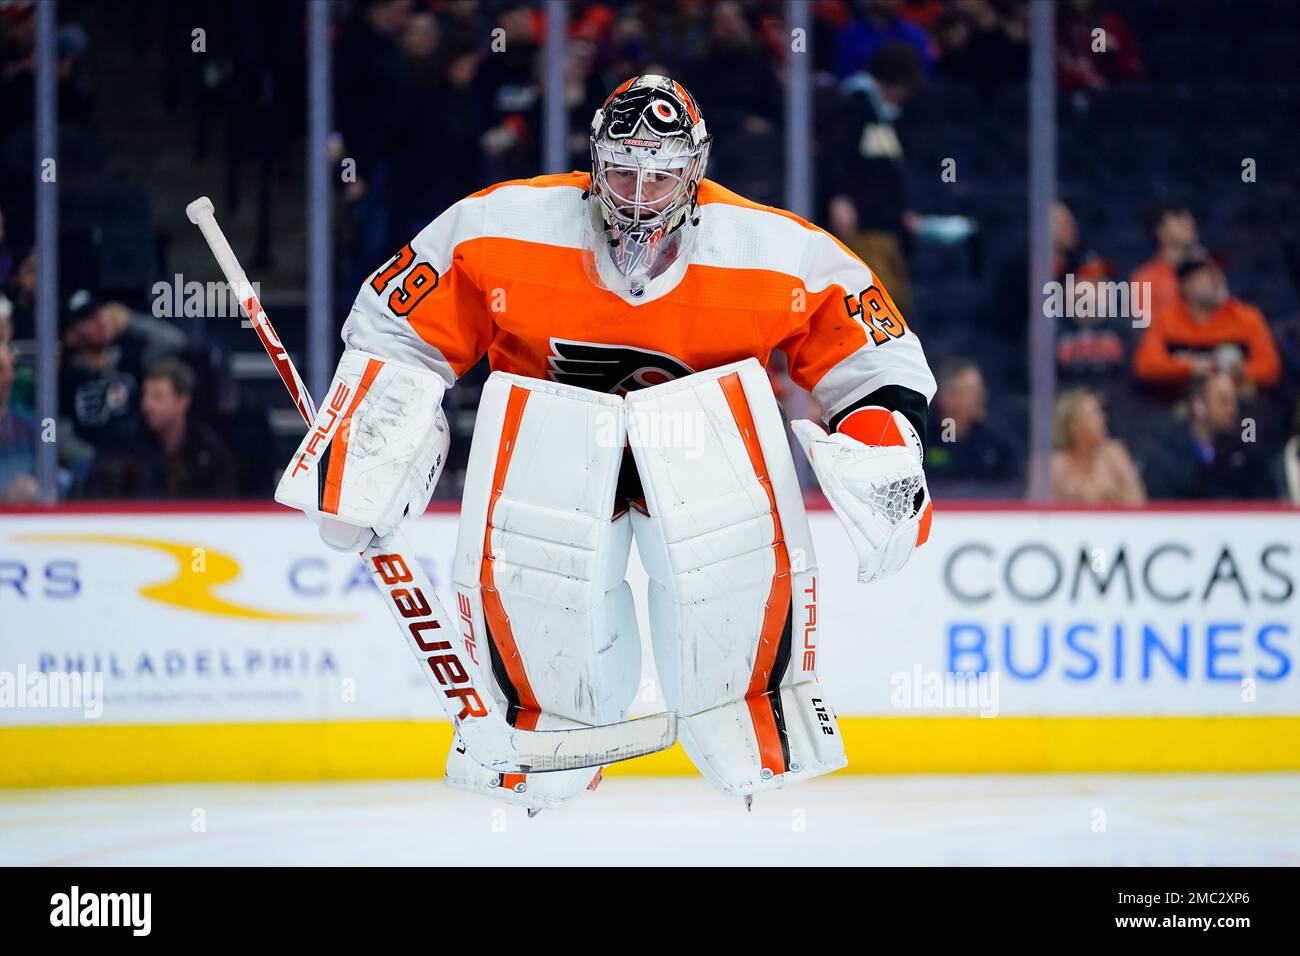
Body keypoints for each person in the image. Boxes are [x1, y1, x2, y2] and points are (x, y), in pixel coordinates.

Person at [273, 75, 936, 813]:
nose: (639, 192)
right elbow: (399, 330)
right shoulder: (498, 228)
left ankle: (750, 713)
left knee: (729, 576)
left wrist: (883, 446)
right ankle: (542, 721)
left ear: (697, 168)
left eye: (661, 174)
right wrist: (368, 440)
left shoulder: (775, 251)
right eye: (622, 169)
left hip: (701, 460)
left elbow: (876, 357)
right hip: (551, 458)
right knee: (543, 575)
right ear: (592, 160)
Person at [1133, 251, 1282, 398]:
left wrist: (1241, 372)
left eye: (1218, 271)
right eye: (1205, 274)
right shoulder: (1165, 321)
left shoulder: (1247, 317)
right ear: (1185, 285)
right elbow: (1146, 366)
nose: (1216, 278)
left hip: (1238, 402)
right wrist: (1191, 368)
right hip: (1181, 405)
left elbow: (1270, 367)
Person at [1143, 372, 1279, 500]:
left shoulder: (1241, 454)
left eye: (1234, 401)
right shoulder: (1166, 453)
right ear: (1199, 406)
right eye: (1223, 401)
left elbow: (1266, 497)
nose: (1232, 410)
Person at [134, 358, 236, 499]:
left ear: (182, 401)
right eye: (145, 396)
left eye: (157, 397)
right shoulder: (131, 447)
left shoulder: (211, 451)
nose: (146, 405)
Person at [924, 357, 1021, 486]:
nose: (981, 397)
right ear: (946, 398)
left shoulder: (996, 443)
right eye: (971, 392)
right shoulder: (921, 440)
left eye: (980, 390)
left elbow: (1013, 487)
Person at [1050, 388, 1144, 504]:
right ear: (1072, 427)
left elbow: (1137, 504)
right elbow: (1039, 513)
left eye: (1101, 412)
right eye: (1094, 413)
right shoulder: (1057, 464)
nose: (1103, 418)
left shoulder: (1115, 455)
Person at [1130, 203, 1198, 321]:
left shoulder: (1208, 271)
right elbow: (1145, 327)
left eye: (1188, 217)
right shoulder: (1145, 279)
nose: (1188, 222)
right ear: (1161, 231)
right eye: (1178, 217)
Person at [0, 306, 38, 503]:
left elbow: (56, 479)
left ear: (10, 375)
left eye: (1, 369)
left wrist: (34, 488)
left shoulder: (34, 427)